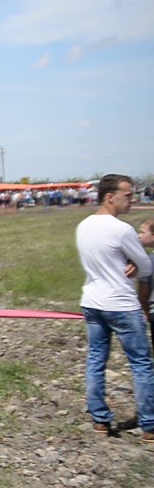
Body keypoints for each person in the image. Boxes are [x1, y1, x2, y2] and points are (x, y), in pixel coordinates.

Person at [75, 174, 153, 444]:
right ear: (110, 197)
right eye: (128, 195)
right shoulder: (121, 230)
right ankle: (150, 426)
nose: (131, 200)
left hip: (93, 302)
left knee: (96, 361)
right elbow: (145, 267)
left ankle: (100, 420)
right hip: (121, 304)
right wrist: (133, 262)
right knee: (141, 364)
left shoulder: (83, 226)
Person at [139, 219, 154, 349]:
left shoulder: (148, 262)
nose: (139, 236)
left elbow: (143, 294)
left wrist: (146, 311)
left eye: (142, 232)